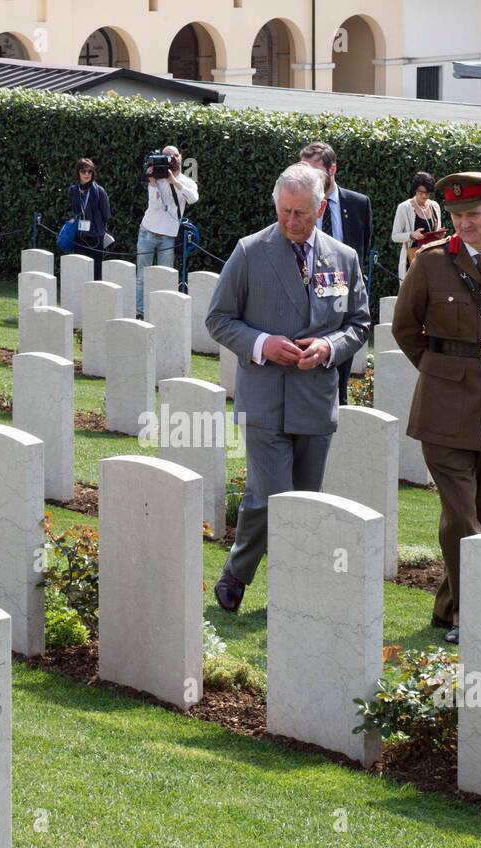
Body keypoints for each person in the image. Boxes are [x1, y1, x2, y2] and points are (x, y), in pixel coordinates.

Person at [207, 163, 370, 612]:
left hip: (315, 399)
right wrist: (261, 343)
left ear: (320, 209)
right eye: (284, 211)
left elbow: (358, 324)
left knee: (305, 501)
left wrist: (328, 346)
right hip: (265, 397)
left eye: (301, 213)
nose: (291, 222)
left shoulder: (343, 258)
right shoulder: (249, 252)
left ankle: (283, 584)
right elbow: (218, 319)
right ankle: (245, 576)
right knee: (272, 495)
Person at [391, 172, 481, 644]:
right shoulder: (432, 261)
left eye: (472, 214)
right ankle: (470, 614)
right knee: (461, 515)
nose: (464, 224)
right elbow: (405, 328)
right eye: (455, 216)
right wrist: (441, 372)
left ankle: (446, 604)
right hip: (444, 408)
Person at [298, 141, 373, 406]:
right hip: (306, 300)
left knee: (339, 377)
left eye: (317, 173)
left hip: (343, 299)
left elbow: (362, 247)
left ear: (333, 170)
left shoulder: (358, 204)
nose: (311, 180)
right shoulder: (300, 206)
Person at [136, 145, 198, 318]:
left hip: (169, 236)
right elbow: (154, 205)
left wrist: (175, 182)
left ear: (181, 157)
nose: (173, 159)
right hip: (147, 231)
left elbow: (193, 199)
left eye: (175, 155)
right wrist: (153, 184)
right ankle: (140, 312)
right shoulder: (156, 178)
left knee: (167, 275)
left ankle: (164, 313)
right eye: (168, 156)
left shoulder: (187, 181)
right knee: (141, 276)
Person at [66, 158, 111, 281]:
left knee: (96, 272)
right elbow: (72, 210)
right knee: (80, 271)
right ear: (78, 173)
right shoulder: (73, 190)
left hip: (96, 237)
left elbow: (106, 214)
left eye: (90, 171)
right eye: (83, 171)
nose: (87, 174)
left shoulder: (99, 191)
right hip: (80, 236)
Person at [391, 171, 442, 280]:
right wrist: (411, 235)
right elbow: (395, 236)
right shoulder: (404, 207)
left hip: (432, 259)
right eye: (420, 192)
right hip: (413, 260)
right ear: (415, 190)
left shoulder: (435, 206)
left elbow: (436, 233)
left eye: (427, 192)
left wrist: (439, 234)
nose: (424, 195)